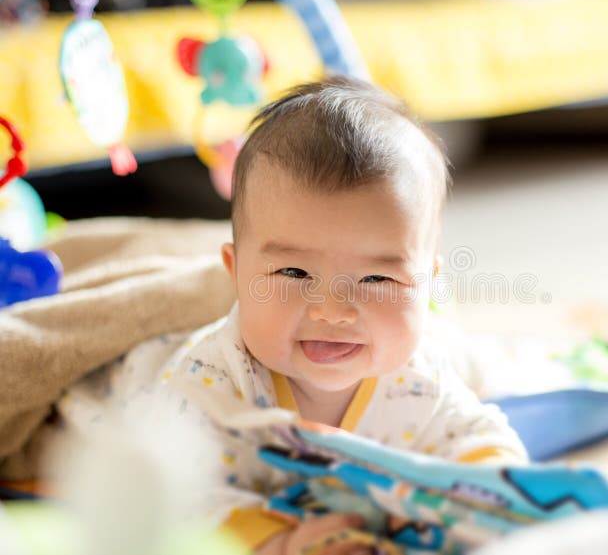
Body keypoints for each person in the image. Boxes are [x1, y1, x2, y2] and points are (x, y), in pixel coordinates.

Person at [63, 76, 528, 555]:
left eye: (377, 280)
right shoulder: (212, 385)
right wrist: (280, 542)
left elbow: (478, 435)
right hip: (138, 381)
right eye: (293, 271)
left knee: (480, 365)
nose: (332, 311)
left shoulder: (419, 376)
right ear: (237, 273)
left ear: (426, 284)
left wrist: (497, 490)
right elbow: (182, 501)